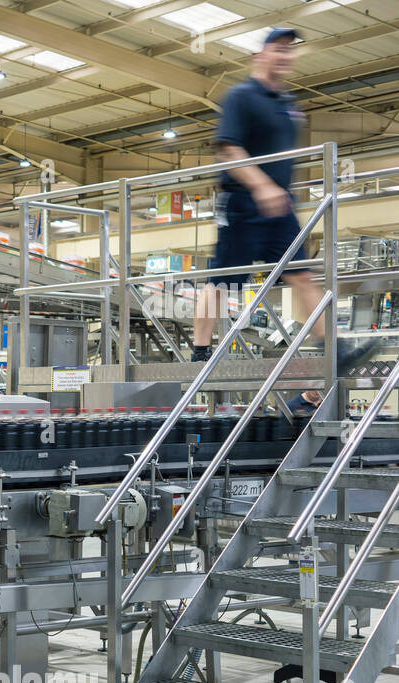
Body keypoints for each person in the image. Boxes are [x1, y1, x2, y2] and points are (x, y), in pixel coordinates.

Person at [192, 27, 375, 412]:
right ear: (259, 55)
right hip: (244, 202)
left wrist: (278, 193)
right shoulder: (241, 96)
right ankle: (201, 352)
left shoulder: (289, 104)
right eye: (277, 50)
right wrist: (260, 186)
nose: (284, 57)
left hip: (281, 208)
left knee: (303, 274)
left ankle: (332, 348)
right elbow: (229, 149)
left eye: (290, 51)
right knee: (223, 282)